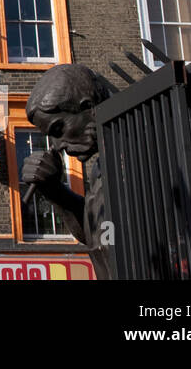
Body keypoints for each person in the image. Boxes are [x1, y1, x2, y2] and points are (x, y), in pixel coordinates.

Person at [19, 64, 115, 279]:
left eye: (58, 128)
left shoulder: (139, 147)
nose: (57, 144)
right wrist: (54, 191)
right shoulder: (102, 169)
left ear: (88, 107)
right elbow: (97, 235)